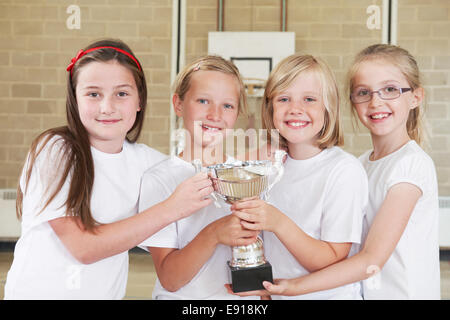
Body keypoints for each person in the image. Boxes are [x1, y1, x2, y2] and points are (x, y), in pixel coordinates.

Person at [4, 39, 213, 300]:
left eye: (122, 94)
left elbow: (209, 172)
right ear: (75, 99)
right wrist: (171, 208)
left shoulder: (147, 162)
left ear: (139, 100)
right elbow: (83, 247)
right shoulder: (55, 150)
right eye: (93, 94)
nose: (108, 107)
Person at [235, 44, 441, 300]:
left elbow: (370, 259)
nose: (376, 102)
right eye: (364, 92)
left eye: (390, 89)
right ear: (353, 101)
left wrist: (293, 286)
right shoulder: (364, 162)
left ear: (415, 97)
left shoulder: (410, 164)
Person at [229, 54, 368, 299]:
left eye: (309, 99)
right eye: (284, 98)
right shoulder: (270, 169)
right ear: (270, 108)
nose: (295, 109)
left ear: (329, 107)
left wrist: (278, 222)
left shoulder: (344, 170)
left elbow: (332, 257)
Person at [138, 55, 260, 299]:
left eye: (227, 105)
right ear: (179, 104)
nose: (215, 114)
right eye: (203, 101)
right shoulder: (159, 179)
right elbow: (170, 279)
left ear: (237, 113)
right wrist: (214, 234)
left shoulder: (250, 176)